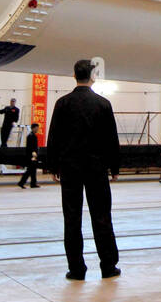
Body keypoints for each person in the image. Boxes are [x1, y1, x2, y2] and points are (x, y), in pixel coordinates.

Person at [42, 59, 121, 280]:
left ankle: (76, 269)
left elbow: (54, 137)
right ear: (93, 76)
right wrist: (114, 167)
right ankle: (108, 266)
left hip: (70, 168)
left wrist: (53, 165)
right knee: (102, 216)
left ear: (74, 76)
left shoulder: (62, 103)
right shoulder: (103, 104)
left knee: (72, 218)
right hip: (96, 168)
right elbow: (111, 139)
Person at [19, 122, 41, 188]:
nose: (37, 129)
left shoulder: (33, 135)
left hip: (33, 155)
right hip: (31, 156)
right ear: (33, 128)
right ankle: (21, 182)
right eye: (37, 128)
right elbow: (30, 146)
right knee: (30, 170)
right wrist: (33, 153)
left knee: (33, 170)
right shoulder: (31, 136)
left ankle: (33, 183)